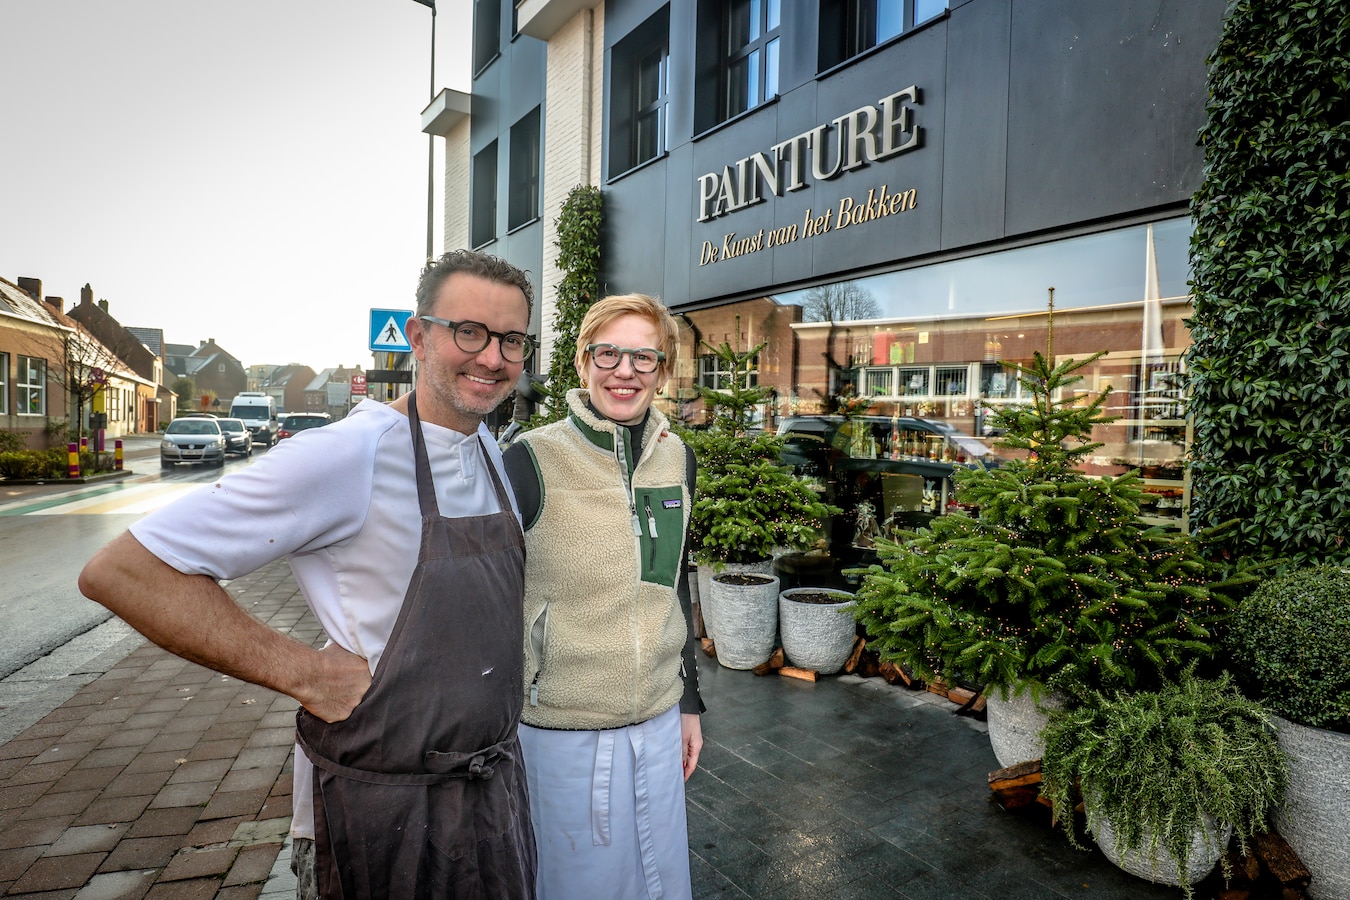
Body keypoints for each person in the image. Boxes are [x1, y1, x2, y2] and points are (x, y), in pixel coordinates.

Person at [78, 249, 539, 899]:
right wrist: (303, 671)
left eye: (511, 339)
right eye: (469, 331)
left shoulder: (488, 447)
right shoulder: (348, 455)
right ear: (418, 336)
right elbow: (124, 571)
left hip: (492, 801)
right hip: (383, 814)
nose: (492, 357)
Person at [502, 293, 703, 900]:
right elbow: (489, 596)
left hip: (659, 719)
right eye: (609, 353)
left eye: (644, 358)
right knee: (574, 884)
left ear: (662, 371)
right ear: (582, 363)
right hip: (563, 730)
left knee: (659, 882)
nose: (626, 371)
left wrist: (689, 700)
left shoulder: (677, 458)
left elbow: (675, 581)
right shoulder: (531, 460)